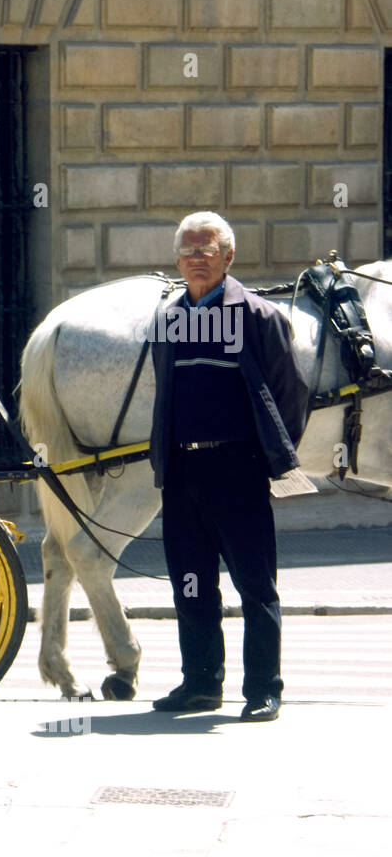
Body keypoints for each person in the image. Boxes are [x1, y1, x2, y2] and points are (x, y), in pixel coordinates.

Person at [148, 211, 310, 722]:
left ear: (228, 257)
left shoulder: (260, 318)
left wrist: (265, 457)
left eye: (206, 248)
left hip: (237, 471)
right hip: (182, 473)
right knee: (192, 583)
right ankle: (200, 684)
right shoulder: (169, 319)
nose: (196, 257)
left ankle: (263, 688)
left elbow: (290, 395)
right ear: (177, 260)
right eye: (188, 250)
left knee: (255, 584)